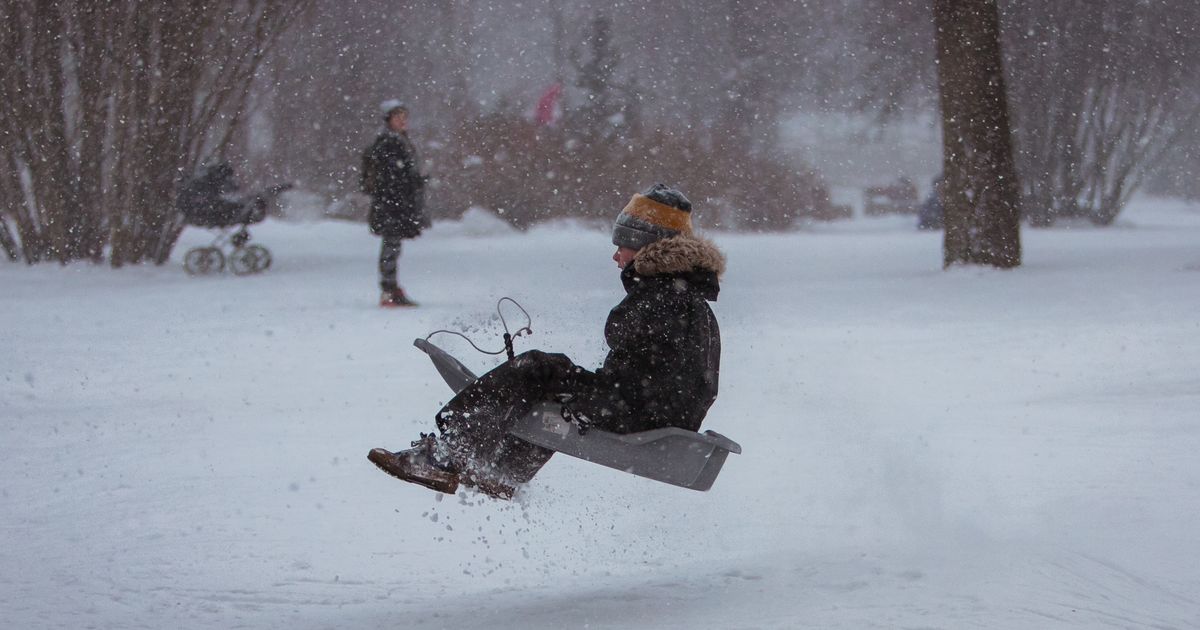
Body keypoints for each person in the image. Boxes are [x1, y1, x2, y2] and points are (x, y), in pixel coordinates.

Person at [368, 183, 726, 499]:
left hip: (641, 412)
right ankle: (505, 471)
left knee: (538, 370)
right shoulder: (688, 299)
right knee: (560, 385)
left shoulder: (661, 297)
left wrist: (584, 385)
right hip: (659, 411)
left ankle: (446, 454)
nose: (616, 256)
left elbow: (634, 361)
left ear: (647, 247)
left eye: (624, 246)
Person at [361, 100, 427, 307]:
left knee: (393, 246)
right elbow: (391, 177)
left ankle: (391, 288)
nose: (403, 121)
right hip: (391, 204)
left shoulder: (397, 141)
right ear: (388, 119)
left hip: (394, 203)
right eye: (398, 117)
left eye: (404, 117)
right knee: (391, 246)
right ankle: (388, 290)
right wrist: (410, 183)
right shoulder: (389, 143)